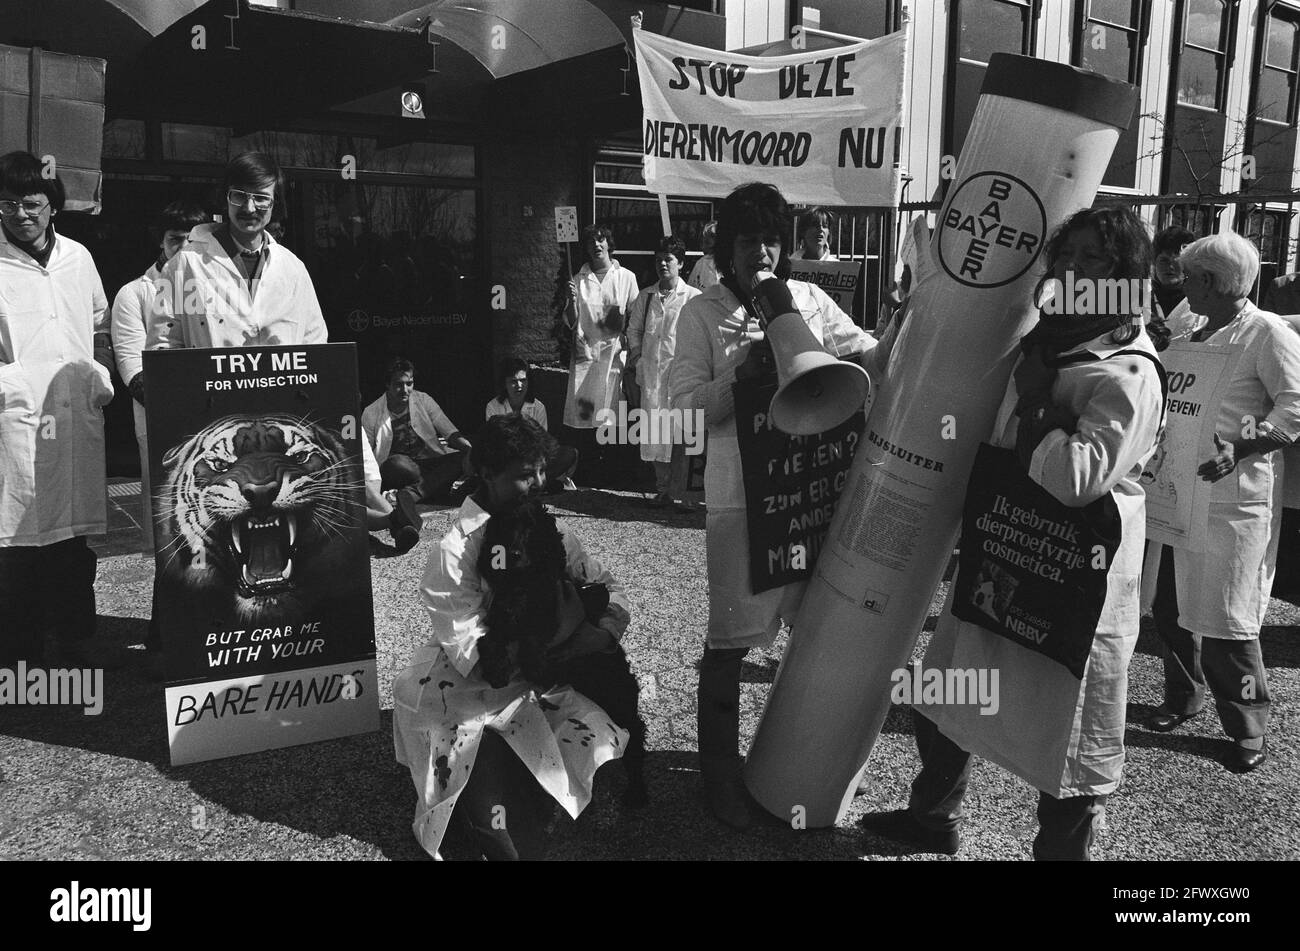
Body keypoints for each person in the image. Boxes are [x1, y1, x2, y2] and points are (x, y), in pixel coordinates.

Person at [861, 206, 1165, 860]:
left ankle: (1062, 854)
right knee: (940, 686)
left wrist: (1034, 406)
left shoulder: (1131, 369)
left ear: (1125, 274)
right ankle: (932, 815)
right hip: (1007, 550)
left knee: (1069, 745)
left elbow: (1081, 475)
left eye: (1095, 260)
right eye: (1069, 255)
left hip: (1072, 580)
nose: (1075, 269)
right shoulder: (1047, 339)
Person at [670, 183, 880, 828]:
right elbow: (681, 411)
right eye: (747, 241)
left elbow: (868, 356)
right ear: (724, 249)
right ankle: (721, 779)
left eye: (771, 240)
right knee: (732, 642)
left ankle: (804, 768)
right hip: (741, 502)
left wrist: (915, 320)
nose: (761, 252)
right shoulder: (699, 313)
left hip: (814, 492)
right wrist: (744, 375)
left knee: (817, 633)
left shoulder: (810, 300)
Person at [392, 415, 632, 860]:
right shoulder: (453, 550)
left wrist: (600, 635)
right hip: (467, 694)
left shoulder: (553, 530)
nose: (541, 482)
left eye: (542, 470)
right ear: (485, 473)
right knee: (502, 840)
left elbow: (609, 589)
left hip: (544, 680)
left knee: (598, 751)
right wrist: (569, 627)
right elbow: (479, 662)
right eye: (525, 475)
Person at [1148, 232, 1300, 773]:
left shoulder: (1268, 334)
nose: (1180, 284)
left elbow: (1295, 409)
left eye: (1190, 277)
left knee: (1225, 620)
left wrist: (1244, 445)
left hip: (1228, 502)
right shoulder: (1189, 324)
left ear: (1211, 282)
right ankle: (1182, 698)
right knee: (1170, 608)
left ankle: (1246, 726)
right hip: (1172, 490)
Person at [0, 151, 114, 667]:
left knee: (73, 540)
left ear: (52, 207)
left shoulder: (79, 258)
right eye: (6, 205)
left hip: (73, 415)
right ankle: (19, 656)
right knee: (17, 543)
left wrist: (100, 375)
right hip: (16, 422)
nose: (19, 214)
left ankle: (75, 639)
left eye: (30, 203)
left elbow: (99, 324)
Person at [146, 152, 326, 350]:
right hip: (211, 381)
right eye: (239, 196)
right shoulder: (184, 265)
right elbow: (163, 344)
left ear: (275, 203)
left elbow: (314, 339)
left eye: (261, 198)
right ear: (226, 198)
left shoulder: (293, 268)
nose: (249, 208)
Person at [111, 200, 210, 552]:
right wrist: (185, 408)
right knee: (170, 521)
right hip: (162, 423)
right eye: (174, 240)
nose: (183, 250)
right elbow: (134, 371)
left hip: (214, 421)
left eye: (191, 241)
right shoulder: (134, 293)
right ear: (161, 242)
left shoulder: (212, 290)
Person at [561, 224, 639, 484]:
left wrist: (630, 344)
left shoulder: (626, 276)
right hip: (587, 356)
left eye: (601, 240)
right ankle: (587, 473)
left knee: (613, 414)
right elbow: (571, 322)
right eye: (591, 242)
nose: (596, 245)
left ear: (609, 244)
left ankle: (613, 474)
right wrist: (571, 302)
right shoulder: (578, 278)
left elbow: (635, 315)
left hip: (615, 355)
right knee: (586, 413)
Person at [627, 236, 700, 505]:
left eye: (668, 259)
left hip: (680, 377)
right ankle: (663, 488)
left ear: (680, 263)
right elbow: (633, 330)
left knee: (679, 433)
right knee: (654, 433)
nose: (662, 264)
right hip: (651, 376)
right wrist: (636, 357)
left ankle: (683, 492)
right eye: (658, 259)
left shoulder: (693, 298)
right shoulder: (646, 296)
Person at [362, 357, 472, 505]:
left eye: (409, 384)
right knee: (397, 463)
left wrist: (470, 450)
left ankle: (410, 494)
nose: (405, 390)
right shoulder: (371, 412)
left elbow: (449, 432)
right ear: (387, 384)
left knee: (461, 457)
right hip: (398, 469)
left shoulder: (424, 399)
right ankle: (434, 487)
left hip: (429, 463)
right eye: (399, 385)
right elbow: (365, 454)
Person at [485, 356, 578, 490]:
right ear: (504, 383)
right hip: (507, 462)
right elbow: (495, 442)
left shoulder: (538, 407)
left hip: (531, 461)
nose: (519, 386)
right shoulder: (493, 407)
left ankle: (527, 484)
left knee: (568, 453)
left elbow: (542, 442)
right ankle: (534, 485)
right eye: (513, 381)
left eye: (523, 380)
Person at [1148, 225, 1197, 350]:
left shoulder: (1199, 302)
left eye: (1177, 261)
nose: (1170, 267)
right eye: (1164, 260)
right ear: (1154, 262)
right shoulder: (1140, 298)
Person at [688, 220, 721, 291]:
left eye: (712, 236)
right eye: (705, 236)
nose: (707, 239)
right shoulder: (700, 264)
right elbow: (691, 292)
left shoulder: (733, 263)